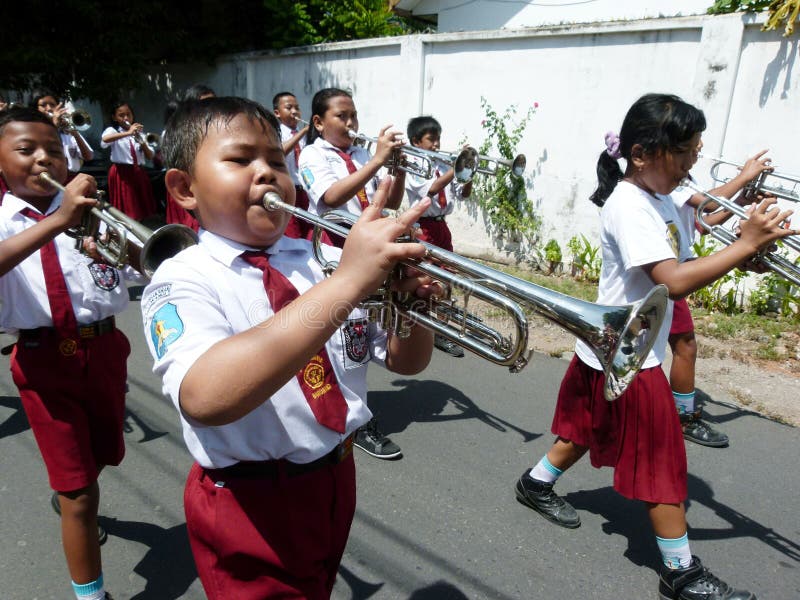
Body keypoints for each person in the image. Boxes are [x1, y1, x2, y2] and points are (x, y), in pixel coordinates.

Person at [140, 96, 436, 598]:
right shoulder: (181, 279)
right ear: (184, 188)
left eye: (277, 161)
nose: (268, 174)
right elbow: (205, 397)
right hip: (247, 502)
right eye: (240, 160)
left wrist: (411, 308)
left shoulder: (318, 260)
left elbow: (408, 363)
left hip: (334, 479)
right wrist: (347, 285)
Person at [514, 94, 794, 600]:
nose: (692, 164)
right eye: (684, 153)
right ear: (642, 154)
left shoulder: (665, 197)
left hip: (614, 348)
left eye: (694, 151)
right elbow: (673, 279)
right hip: (629, 354)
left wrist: (746, 256)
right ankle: (680, 572)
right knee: (663, 461)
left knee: (586, 429)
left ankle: (535, 483)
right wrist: (745, 244)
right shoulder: (629, 205)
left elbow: (683, 260)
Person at [0, 107, 147, 600]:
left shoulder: (88, 215)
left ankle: (69, 491)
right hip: (44, 363)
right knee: (81, 492)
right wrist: (59, 219)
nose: (45, 159)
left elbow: (140, 268)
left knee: (104, 454)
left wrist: (112, 237)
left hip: (106, 351)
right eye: (26, 150)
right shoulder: (5, 221)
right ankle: (90, 593)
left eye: (55, 151)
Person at [298, 87, 407, 459]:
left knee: (370, 333)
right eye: (341, 116)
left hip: (372, 251)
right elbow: (329, 197)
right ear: (318, 122)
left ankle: (351, 408)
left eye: (353, 116)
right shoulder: (312, 154)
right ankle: (355, 420)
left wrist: (398, 169)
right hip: (334, 255)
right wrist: (377, 161)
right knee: (350, 338)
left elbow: (388, 203)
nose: (350, 123)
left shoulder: (361, 154)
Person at [667, 149, 774, 447]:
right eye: (694, 142)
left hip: (675, 269)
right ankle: (682, 417)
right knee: (685, 345)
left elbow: (703, 221)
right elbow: (708, 202)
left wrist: (739, 203)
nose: (700, 148)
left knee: (669, 345)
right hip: (668, 272)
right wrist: (744, 177)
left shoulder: (681, 180)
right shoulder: (668, 180)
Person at [405, 115, 474, 358]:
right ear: (416, 141)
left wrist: (468, 174)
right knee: (424, 279)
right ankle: (424, 327)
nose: (436, 144)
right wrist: (456, 168)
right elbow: (431, 190)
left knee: (448, 276)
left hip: (441, 226)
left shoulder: (444, 165)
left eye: (438, 139)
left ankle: (443, 325)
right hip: (423, 227)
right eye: (431, 139)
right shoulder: (414, 164)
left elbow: (462, 193)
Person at [163, 83, 219, 231]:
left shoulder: (219, 128)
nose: (209, 108)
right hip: (190, 186)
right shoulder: (180, 129)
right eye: (204, 103)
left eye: (213, 102)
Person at [100, 101, 157, 220]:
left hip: (138, 172)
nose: (126, 118)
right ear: (114, 118)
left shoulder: (140, 133)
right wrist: (128, 133)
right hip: (122, 172)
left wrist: (142, 143)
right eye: (121, 115)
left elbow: (150, 156)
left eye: (128, 114)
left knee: (140, 205)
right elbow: (105, 140)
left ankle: (140, 226)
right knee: (126, 206)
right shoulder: (112, 131)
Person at [31, 90, 95, 183]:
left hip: (71, 179)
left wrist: (74, 132)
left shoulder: (67, 130)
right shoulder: (32, 129)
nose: (49, 108)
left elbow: (88, 156)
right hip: (48, 179)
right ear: (35, 108)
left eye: (52, 105)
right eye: (43, 105)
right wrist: (55, 125)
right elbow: (43, 145)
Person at [273, 91, 311, 239]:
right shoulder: (276, 132)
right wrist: (302, 133)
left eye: (297, 108)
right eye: (289, 108)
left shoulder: (304, 135)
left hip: (305, 191)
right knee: (293, 234)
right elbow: (280, 151)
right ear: (277, 113)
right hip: (289, 191)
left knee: (309, 233)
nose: (295, 112)